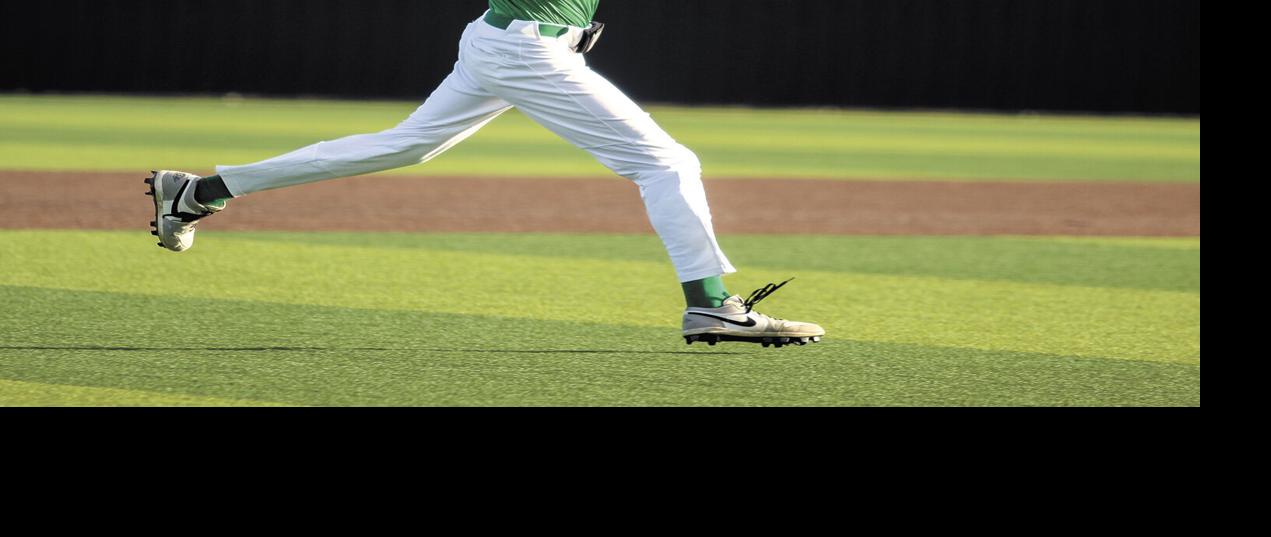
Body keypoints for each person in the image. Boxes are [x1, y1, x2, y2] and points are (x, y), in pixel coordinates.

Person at [147, 0, 824, 349]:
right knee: (667, 161)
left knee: (402, 146)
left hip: (507, 39)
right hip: (525, 47)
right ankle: (709, 304)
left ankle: (200, 191)